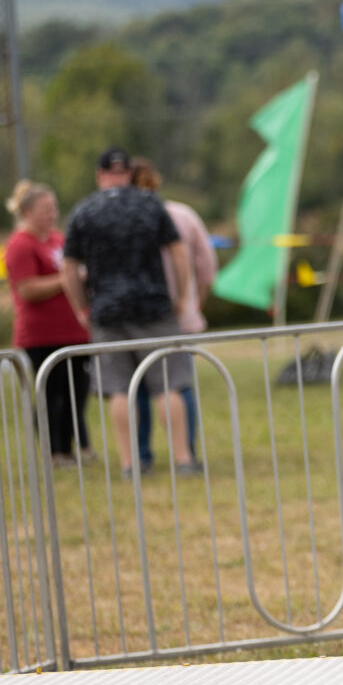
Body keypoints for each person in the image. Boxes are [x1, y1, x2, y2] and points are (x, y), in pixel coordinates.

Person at [61, 147, 200, 477]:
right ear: (128, 173)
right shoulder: (150, 203)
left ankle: (130, 464)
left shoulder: (84, 212)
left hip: (107, 310)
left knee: (118, 390)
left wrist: (82, 306)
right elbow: (179, 254)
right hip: (153, 306)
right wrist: (181, 295)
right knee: (168, 384)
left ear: (99, 176)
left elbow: (69, 268)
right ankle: (184, 459)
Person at [129, 157, 215, 462]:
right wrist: (193, 300)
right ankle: (186, 450)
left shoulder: (121, 217)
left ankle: (140, 455)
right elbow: (206, 266)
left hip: (134, 316)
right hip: (180, 314)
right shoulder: (182, 214)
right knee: (178, 384)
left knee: (136, 386)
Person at [3, 180, 93, 467]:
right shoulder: (20, 245)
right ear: (27, 212)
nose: (52, 214)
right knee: (52, 393)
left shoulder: (58, 240)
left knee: (76, 391)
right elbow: (27, 289)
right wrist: (65, 279)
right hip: (42, 334)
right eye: (45, 209)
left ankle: (73, 448)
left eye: (54, 208)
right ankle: (53, 451)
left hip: (74, 330)